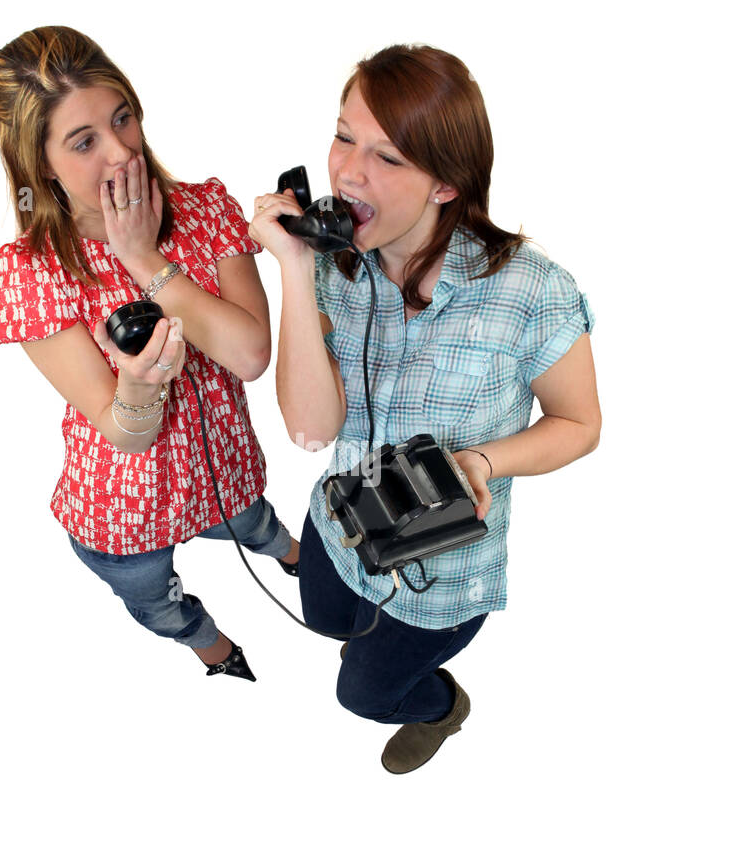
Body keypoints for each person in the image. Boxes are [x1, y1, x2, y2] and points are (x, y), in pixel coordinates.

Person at [250, 43, 601, 770]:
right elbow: (312, 431)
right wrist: (294, 270)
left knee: (365, 695)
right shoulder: (332, 268)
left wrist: (482, 459)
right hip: (340, 525)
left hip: (440, 580)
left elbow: (580, 424)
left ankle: (442, 707)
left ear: (445, 184)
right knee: (326, 619)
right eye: (345, 136)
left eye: (387, 156)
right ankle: (364, 636)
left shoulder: (533, 291)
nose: (347, 171)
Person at [0, 25, 299, 681]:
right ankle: (209, 645)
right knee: (155, 599)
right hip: (121, 509)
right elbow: (122, 434)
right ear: (40, 163)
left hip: (225, 469)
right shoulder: (29, 272)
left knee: (257, 522)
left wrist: (141, 257)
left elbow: (248, 356)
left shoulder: (205, 206)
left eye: (122, 116)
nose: (123, 149)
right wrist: (137, 385)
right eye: (84, 141)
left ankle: (290, 554)